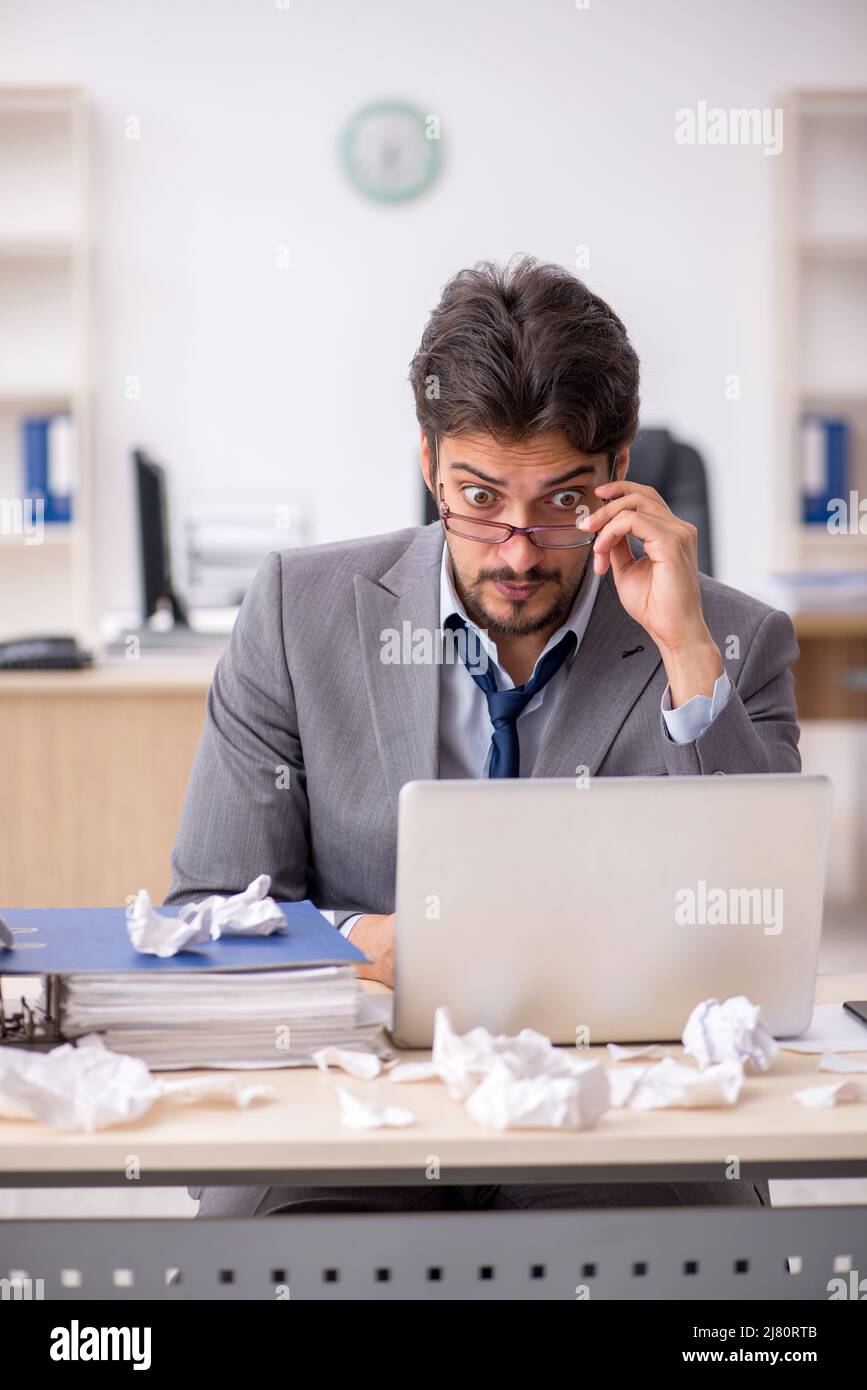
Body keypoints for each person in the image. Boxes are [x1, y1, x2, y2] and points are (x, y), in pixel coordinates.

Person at [167, 256, 799, 1216]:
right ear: (427, 464)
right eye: (478, 498)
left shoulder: (731, 638)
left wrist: (684, 654)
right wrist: (359, 943)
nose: (514, 550)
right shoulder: (301, 611)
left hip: (626, 1101)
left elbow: (763, 929)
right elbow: (208, 912)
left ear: (619, 474)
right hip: (354, 1096)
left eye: (561, 503)